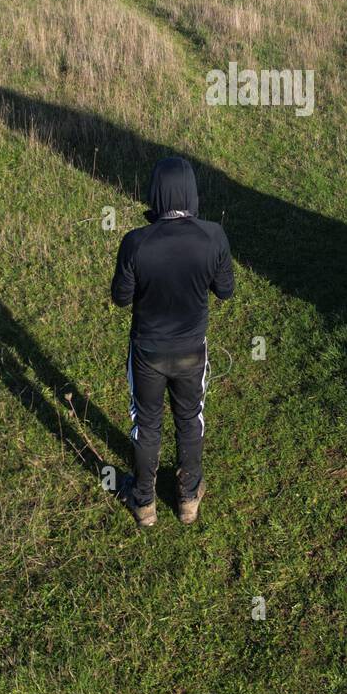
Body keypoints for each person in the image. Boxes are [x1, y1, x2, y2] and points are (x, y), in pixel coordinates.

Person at [111, 156, 234, 526]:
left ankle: (144, 502)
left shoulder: (135, 242)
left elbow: (121, 298)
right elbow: (225, 291)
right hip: (191, 348)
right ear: (192, 193)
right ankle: (188, 499)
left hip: (147, 350)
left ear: (156, 193)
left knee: (146, 423)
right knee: (189, 418)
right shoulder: (214, 235)